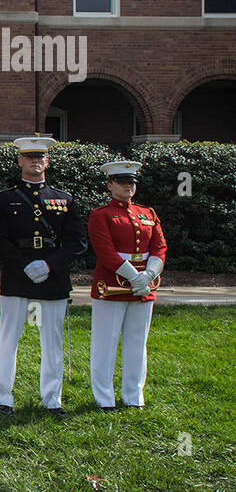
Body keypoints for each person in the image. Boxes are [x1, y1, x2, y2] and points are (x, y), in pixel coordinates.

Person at [0, 136, 87, 419]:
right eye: (29, 157)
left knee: (52, 342)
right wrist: (23, 265)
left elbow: (77, 242)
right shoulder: (4, 199)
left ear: (48, 161)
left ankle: (52, 398)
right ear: (20, 160)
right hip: (17, 277)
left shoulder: (64, 199)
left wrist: (49, 264)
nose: (35, 162)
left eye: (40, 157)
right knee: (8, 339)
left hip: (52, 278)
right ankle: (3, 398)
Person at [88, 160, 167, 411]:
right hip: (112, 285)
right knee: (105, 343)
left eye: (132, 182)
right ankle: (104, 397)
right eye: (122, 182)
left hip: (144, 287)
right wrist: (136, 277)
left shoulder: (148, 213)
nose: (128, 187)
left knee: (137, 343)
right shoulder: (100, 214)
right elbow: (105, 251)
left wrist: (150, 274)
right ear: (110, 184)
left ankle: (134, 396)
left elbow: (159, 247)